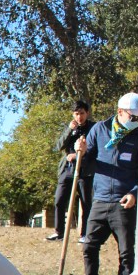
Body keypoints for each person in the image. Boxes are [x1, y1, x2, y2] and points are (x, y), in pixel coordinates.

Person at [71, 92, 138, 275]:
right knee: (89, 247)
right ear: (120, 111)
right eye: (132, 115)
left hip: (125, 203)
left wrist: (135, 193)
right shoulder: (99, 130)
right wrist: (80, 153)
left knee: (127, 254)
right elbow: (85, 164)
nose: (136, 120)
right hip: (100, 200)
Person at [48, 100, 95, 243]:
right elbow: (59, 146)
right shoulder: (70, 127)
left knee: (86, 203)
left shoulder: (94, 128)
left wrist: (78, 155)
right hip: (67, 170)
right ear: (73, 114)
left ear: (87, 113)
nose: (79, 117)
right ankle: (58, 232)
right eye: (76, 114)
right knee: (59, 200)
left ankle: (85, 234)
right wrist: (69, 130)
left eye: (82, 113)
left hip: (85, 170)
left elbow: (96, 148)